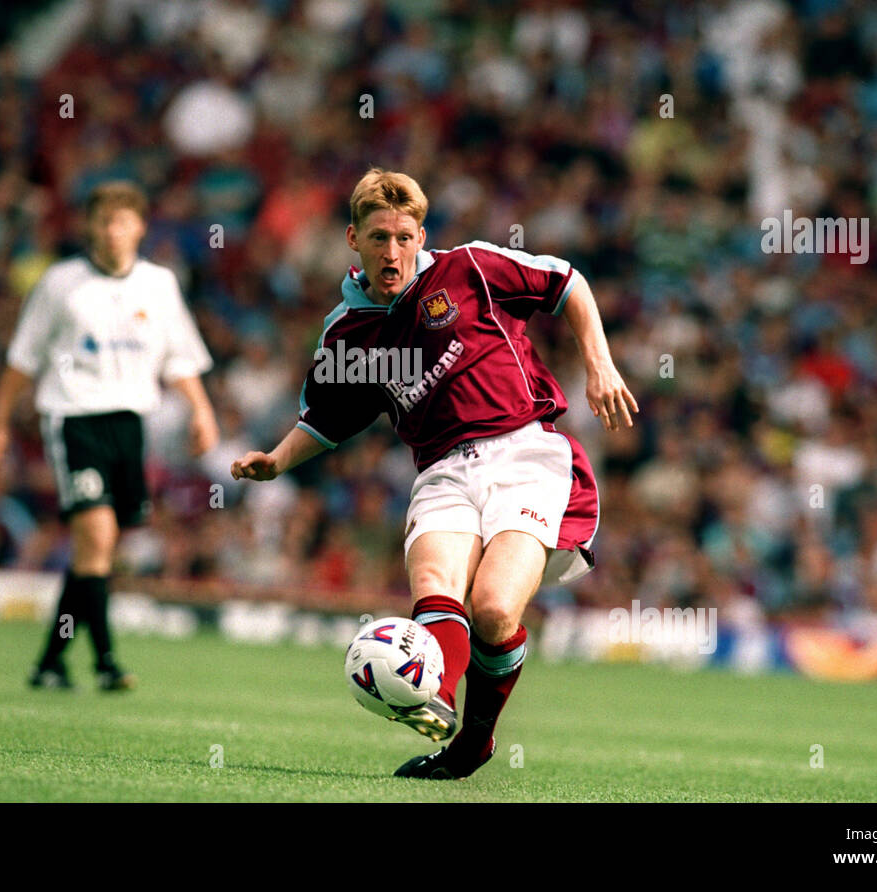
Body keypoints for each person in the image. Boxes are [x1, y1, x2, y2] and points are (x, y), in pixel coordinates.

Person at [231, 168, 637, 779]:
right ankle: (433, 699)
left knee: (496, 612)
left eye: (403, 237)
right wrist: (278, 459)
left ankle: (475, 742)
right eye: (377, 238)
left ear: (421, 235)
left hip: (525, 454)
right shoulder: (349, 332)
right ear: (353, 239)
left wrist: (599, 365)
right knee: (435, 586)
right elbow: (330, 417)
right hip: (443, 472)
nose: (391, 251)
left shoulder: (469, 268)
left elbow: (567, 283)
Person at [0, 181, 219, 691]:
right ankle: (107, 661)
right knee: (95, 537)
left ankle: (49, 663)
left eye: (123, 221)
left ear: (139, 226)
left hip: (128, 422)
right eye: (104, 221)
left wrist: (201, 410)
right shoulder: (60, 283)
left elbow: (179, 358)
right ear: (89, 226)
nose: (113, 231)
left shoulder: (159, 284)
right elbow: (23, 358)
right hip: (73, 418)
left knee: (101, 549)